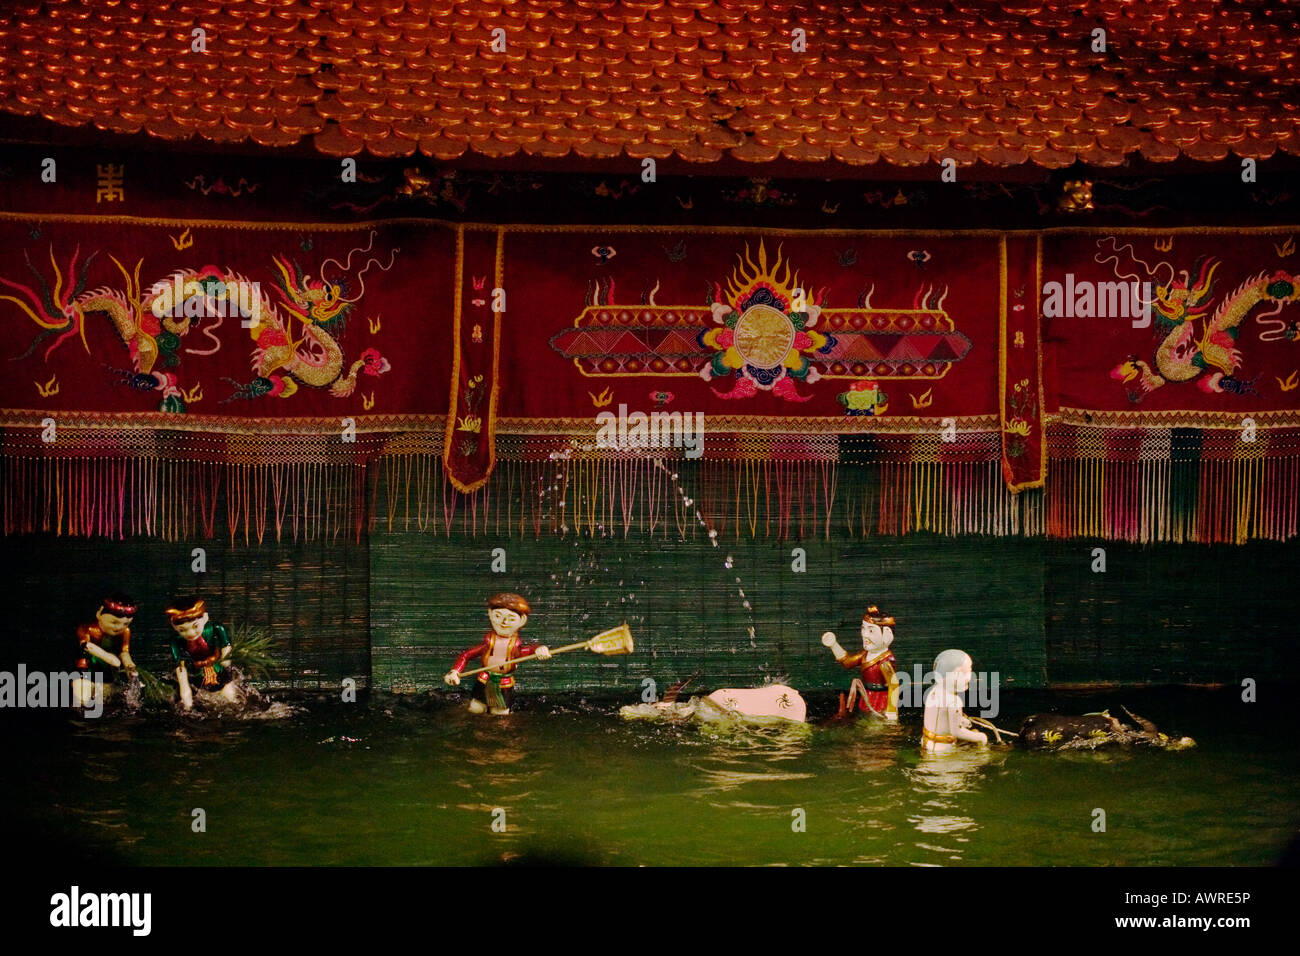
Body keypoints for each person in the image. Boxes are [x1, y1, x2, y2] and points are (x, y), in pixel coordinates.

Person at [442, 593, 550, 715]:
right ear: (490, 614)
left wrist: (539, 650)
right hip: (484, 680)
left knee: (500, 715)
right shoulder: (488, 643)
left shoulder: (515, 647)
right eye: (498, 616)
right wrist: (455, 671)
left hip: (504, 684)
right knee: (476, 709)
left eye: (511, 618)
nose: (504, 622)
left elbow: (528, 651)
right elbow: (466, 655)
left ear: (522, 620)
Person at [821, 605, 900, 720]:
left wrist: (892, 711)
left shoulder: (885, 660)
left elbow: (894, 685)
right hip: (867, 698)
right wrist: (834, 645)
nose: (865, 634)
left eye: (871, 630)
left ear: (887, 635)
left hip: (880, 702)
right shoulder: (865, 655)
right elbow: (847, 662)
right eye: (863, 628)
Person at [164, 597, 235, 711]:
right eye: (182, 630)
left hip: (218, 669)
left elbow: (226, 647)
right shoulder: (176, 641)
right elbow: (180, 668)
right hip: (196, 674)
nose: (190, 633)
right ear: (174, 627)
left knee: (230, 697)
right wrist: (185, 693)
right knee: (195, 700)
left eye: (195, 626)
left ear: (205, 618)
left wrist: (227, 668)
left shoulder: (215, 628)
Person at [73, 594, 138, 709]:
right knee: (83, 699)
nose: (119, 627)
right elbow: (87, 646)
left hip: (106, 674)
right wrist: (110, 658)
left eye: (125, 624)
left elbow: (124, 651)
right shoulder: (88, 629)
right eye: (114, 622)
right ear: (99, 614)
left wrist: (129, 665)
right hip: (86, 670)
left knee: (104, 702)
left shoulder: (125, 632)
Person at [921, 649, 987, 754]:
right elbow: (957, 732)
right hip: (943, 751)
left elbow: (940, 720)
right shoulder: (954, 702)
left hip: (926, 743)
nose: (969, 677)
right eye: (965, 672)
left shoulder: (933, 691)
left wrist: (961, 720)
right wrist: (980, 737)